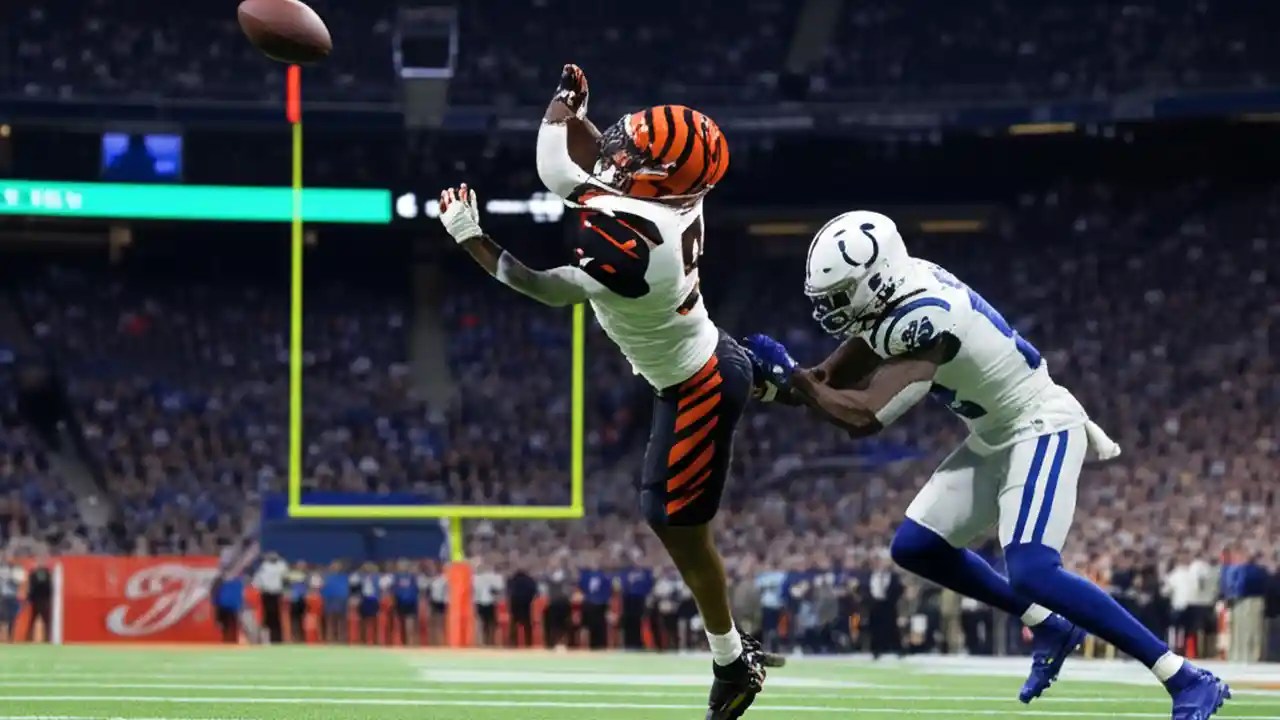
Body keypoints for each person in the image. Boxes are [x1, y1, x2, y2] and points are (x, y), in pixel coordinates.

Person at [746, 210, 1230, 719]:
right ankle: (1048, 623)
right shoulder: (896, 294)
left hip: (1040, 423)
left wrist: (795, 380)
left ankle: (1184, 676)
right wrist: (775, 382)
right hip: (996, 433)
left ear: (878, 277)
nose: (832, 308)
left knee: (1034, 570)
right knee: (918, 547)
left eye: (843, 294)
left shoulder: (926, 315)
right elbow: (828, 381)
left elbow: (864, 416)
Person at [437, 63, 776, 718]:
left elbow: (543, 286)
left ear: (656, 178)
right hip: (701, 354)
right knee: (672, 511)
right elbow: (564, 166)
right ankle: (782, 379)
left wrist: (471, 237)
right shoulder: (666, 200)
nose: (621, 148)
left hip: (697, 385)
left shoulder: (633, 239)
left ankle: (733, 662)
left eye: (637, 151)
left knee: (674, 524)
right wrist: (564, 106)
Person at [253, 551, 288, 644]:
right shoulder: (267, 566)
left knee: (273, 616)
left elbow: (257, 582)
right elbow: (258, 582)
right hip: (269, 593)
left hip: (273, 593)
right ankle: (270, 638)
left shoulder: (279, 566)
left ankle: (275, 638)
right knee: (270, 616)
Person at [24, 558, 52, 643]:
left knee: (45, 620)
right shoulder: (34, 574)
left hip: (43, 599)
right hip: (38, 599)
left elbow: (49, 587)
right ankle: (29, 638)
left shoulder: (47, 573)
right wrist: (30, 598)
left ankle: (46, 638)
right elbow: (31, 587)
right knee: (34, 619)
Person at [0, 554, 23, 642]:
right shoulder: (2, 569)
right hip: (3, 597)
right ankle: (3, 638)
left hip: (12, 597)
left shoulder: (16, 570)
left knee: (12, 619)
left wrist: (12, 579)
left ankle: (10, 638)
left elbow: (18, 582)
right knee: (3, 619)